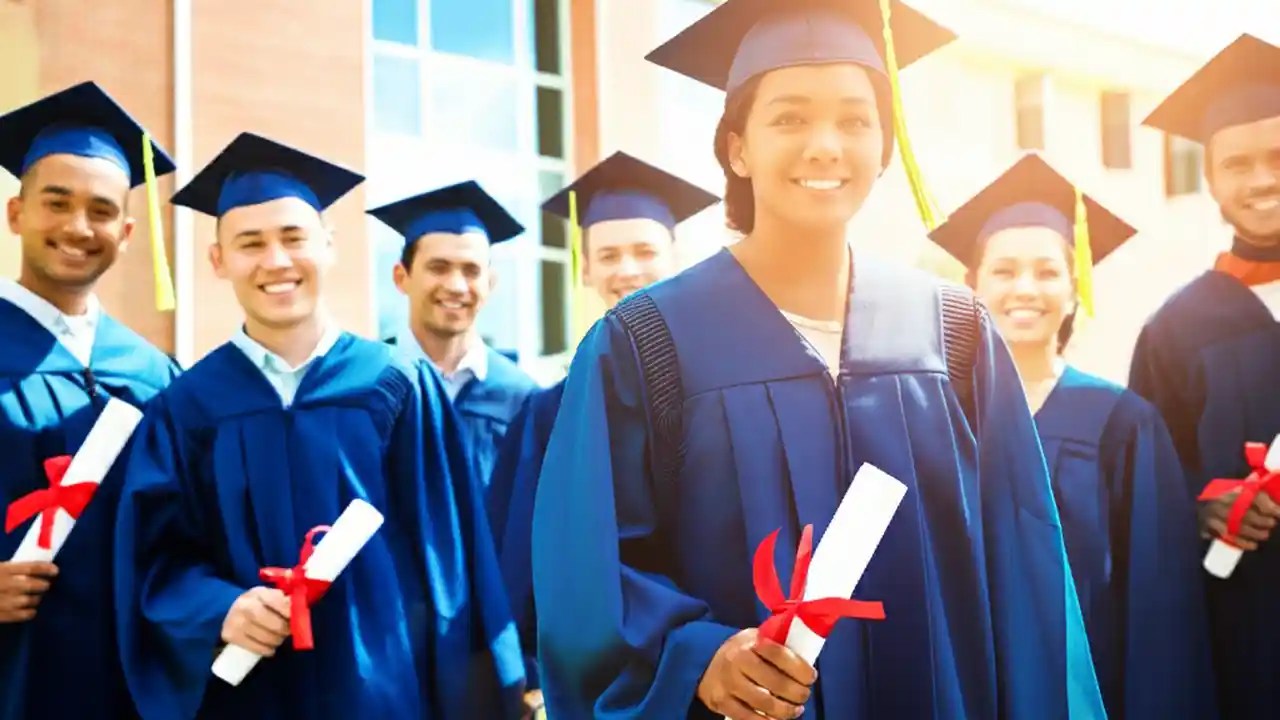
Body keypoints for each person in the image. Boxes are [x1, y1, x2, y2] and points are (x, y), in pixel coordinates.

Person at [529, 1, 1105, 718]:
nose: (826, 145)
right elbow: (588, 571)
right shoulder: (646, 341)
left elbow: (1025, 569)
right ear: (737, 148)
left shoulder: (954, 332)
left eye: (855, 121)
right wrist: (696, 656)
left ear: (886, 147)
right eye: (789, 118)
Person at [113, 132, 523, 720]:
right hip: (246, 699)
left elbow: (451, 564)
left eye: (294, 237)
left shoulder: (397, 385)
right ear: (218, 260)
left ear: (329, 245)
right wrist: (218, 609)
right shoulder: (188, 406)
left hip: (382, 698)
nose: (276, 261)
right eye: (250, 243)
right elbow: (154, 560)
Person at [929, 152, 1218, 719]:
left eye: (1047, 271)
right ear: (971, 286)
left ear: (1075, 288)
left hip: (1087, 692)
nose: (1025, 289)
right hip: (966, 689)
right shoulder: (934, 418)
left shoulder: (1122, 423)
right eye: (1004, 271)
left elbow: (1159, 608)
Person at [486, 150, 719, 718]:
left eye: (645, 251)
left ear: (677, 258)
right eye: (609, 255)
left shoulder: (725, 387)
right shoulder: (549, 410)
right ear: (584, 269)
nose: (627, 270)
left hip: (726, 665)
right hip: (601, 682)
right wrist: (536, 675)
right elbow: (526, 559)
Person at [0, 81, 179, 720]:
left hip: (127, 681)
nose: (78, 228)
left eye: (101, 211)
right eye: (57, 203)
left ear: (126, 233)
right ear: (17, 213)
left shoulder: (154, 373)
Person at [1132, 33, 1280, 718]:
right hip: (1247, 628)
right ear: (1211, 180)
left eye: (1277, 157)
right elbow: (1146, 482)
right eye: (1236, 164)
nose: (1261, 180)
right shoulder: (1178, 329)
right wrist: (1199, 508)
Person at [371, 181, 536, 488]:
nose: (457, 286)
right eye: (439, 267)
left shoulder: (523, 399)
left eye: (471, 271)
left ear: (490, 283)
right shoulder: (366, 384)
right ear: (401, 277)